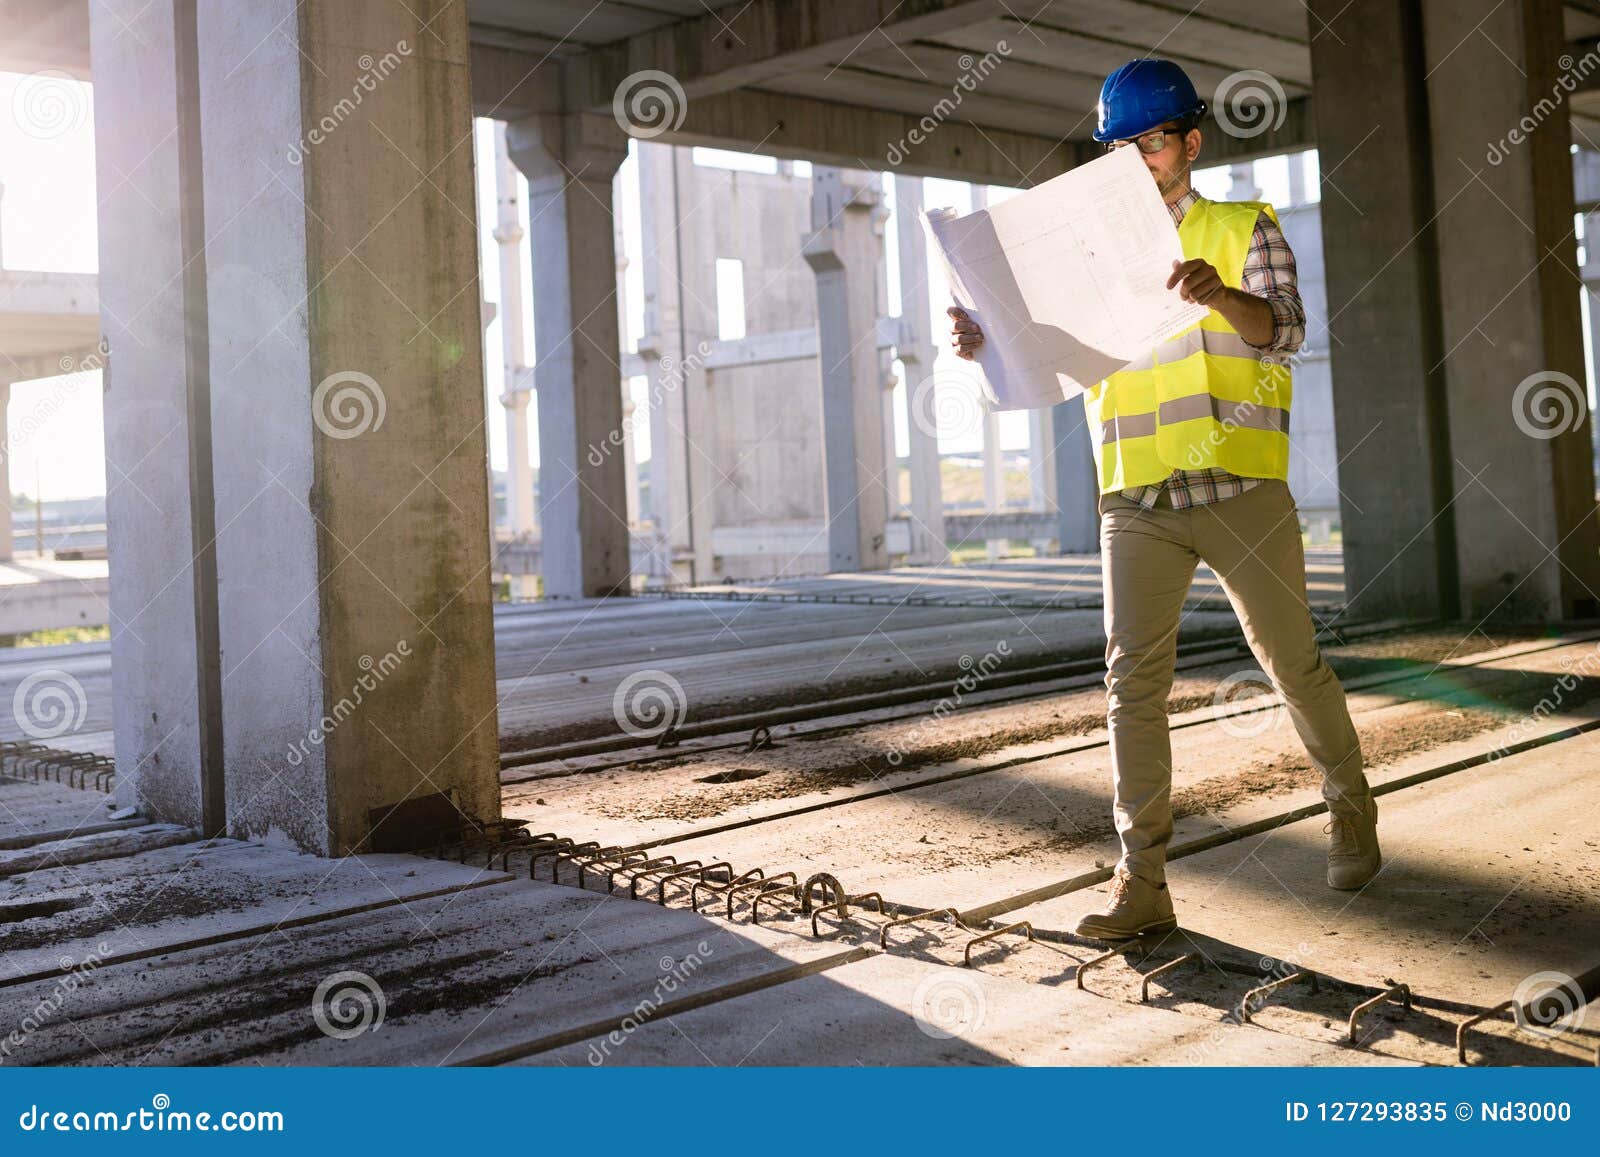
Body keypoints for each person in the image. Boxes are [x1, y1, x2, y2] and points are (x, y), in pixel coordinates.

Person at [948, 58, 1380, 941]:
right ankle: (1142, 880)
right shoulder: (1084, 255)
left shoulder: (1241, 226)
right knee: (1131, 687)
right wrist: (986, 340)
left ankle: (1351, 807)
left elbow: (1285, 330)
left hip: (1240, 489)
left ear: (1190, 142)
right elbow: (1044, 350)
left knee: (1292, 664)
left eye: (1153, 141)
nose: (1139, 158)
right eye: (1122, 146)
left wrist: (1222, 295)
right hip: (1136, 496)